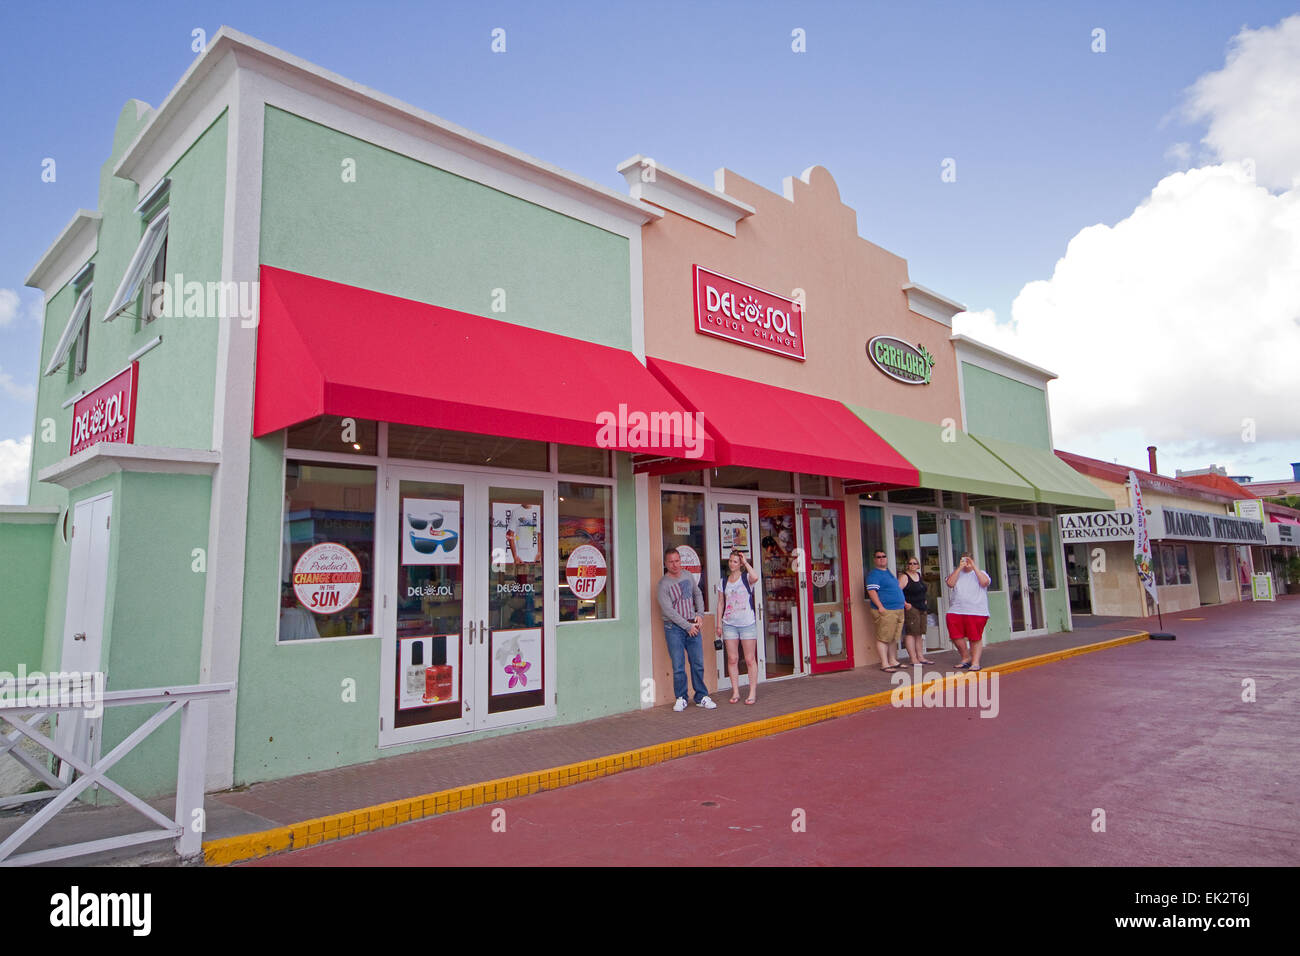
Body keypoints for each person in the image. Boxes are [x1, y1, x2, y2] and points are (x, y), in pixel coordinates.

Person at [657, 548, 717, 710]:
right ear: (665, 563)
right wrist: (687, 626)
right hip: (674, 628)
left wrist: (700, 614)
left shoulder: (688, 576)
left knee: (697, 663)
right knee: (678, 666)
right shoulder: (663, 584)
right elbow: (668, 611)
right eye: (671, 561)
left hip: (693, 625)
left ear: (680, 561)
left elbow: (697, 594)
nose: (675, 564)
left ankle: (701, 696)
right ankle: (681, 698)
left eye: (677, 561)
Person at [716, 550, 761, 704]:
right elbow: (720, 603)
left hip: (747, 623)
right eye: (730, 561)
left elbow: (755, 577)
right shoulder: (723, 581)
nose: (732, 564)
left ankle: (752, 692)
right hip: (729, 624)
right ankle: (735, 692)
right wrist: (718, 624)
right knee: (733, 658)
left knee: (749, 659)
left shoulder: (746, 578)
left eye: (735, 561)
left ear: (740, 564)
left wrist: (746, 562)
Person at [945, 551, 992, 670]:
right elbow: (950, 583)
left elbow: (984, 582)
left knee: (974, 637)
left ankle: (975, 662)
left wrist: (974, 566)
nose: (966, 563)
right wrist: (959, 568)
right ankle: (966, 657)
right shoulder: (956, 573)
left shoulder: (981, 573)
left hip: (976, 611)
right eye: (963, 560)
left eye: (968, 561)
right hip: (956, 610)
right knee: (955, 635)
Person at [866, 549, 905, 671]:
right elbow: (872, 591)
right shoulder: (874, 574)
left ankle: (892, 660)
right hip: (886, 610)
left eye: (883, 556)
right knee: (883, 637)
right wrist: (880, 607)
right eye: (878, 557)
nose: (881, 558)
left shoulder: (888, 572)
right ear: (874, 560)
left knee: (893, 637)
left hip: (897, 609)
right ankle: (884, 663)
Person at [898, 555, 936, 666]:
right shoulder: (904, 577)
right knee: (911, 633)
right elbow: (897, 591)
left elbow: (922, 590)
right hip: (911, 608)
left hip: (921, 607)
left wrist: (924, 600)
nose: (912, 565)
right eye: (910, 563)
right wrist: (905, 604)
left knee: (919, 633)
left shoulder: (918, 575)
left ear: (918, 565)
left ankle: (920, 656)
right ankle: (913, 658)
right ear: (907, 565)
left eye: (914, 563)